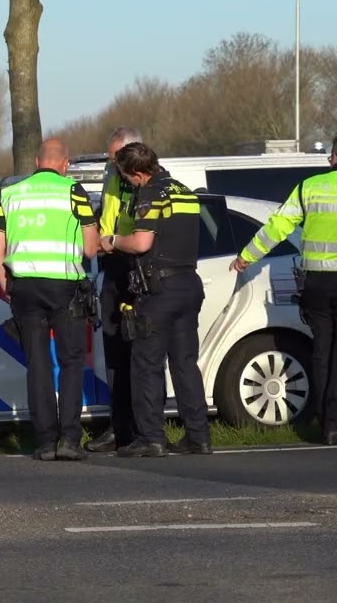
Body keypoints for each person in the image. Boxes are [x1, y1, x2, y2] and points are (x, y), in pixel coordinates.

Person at [230, 132, 337, 445]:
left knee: (322, 351)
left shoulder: (309, 188)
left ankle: (323, 423)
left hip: (316, 283)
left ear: (332, 159)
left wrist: (247, 256)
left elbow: (277, 226)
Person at [0, 138, 100, 462]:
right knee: (70, 363)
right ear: (65, 165)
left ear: (37, 162)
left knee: (37, 365)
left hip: (24, 289)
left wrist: (7, 286)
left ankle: (44, 442)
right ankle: (68, 439)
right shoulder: (73, 191)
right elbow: (91, 249)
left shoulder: (10, 195)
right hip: (65, 289)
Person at [102, 142, 211, 457]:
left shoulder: (152, 193)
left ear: (137, 173)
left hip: (158, 289)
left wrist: (112, 241)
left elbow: (140, 242)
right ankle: (198, 436)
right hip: (189, 283)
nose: (127, 182)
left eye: (126, 176)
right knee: (185, 364)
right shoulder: (185, 192)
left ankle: (151, 437)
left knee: (146, 363)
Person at [83, 126, 143, 453]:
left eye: (116, 157)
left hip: (136, 266)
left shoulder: (148, 181)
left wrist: (116, 242)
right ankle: (119, 427)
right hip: (112, 265)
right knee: (114, 351)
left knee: (139, 352)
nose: (111, 162)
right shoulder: (112, 173)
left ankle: (143, 427)